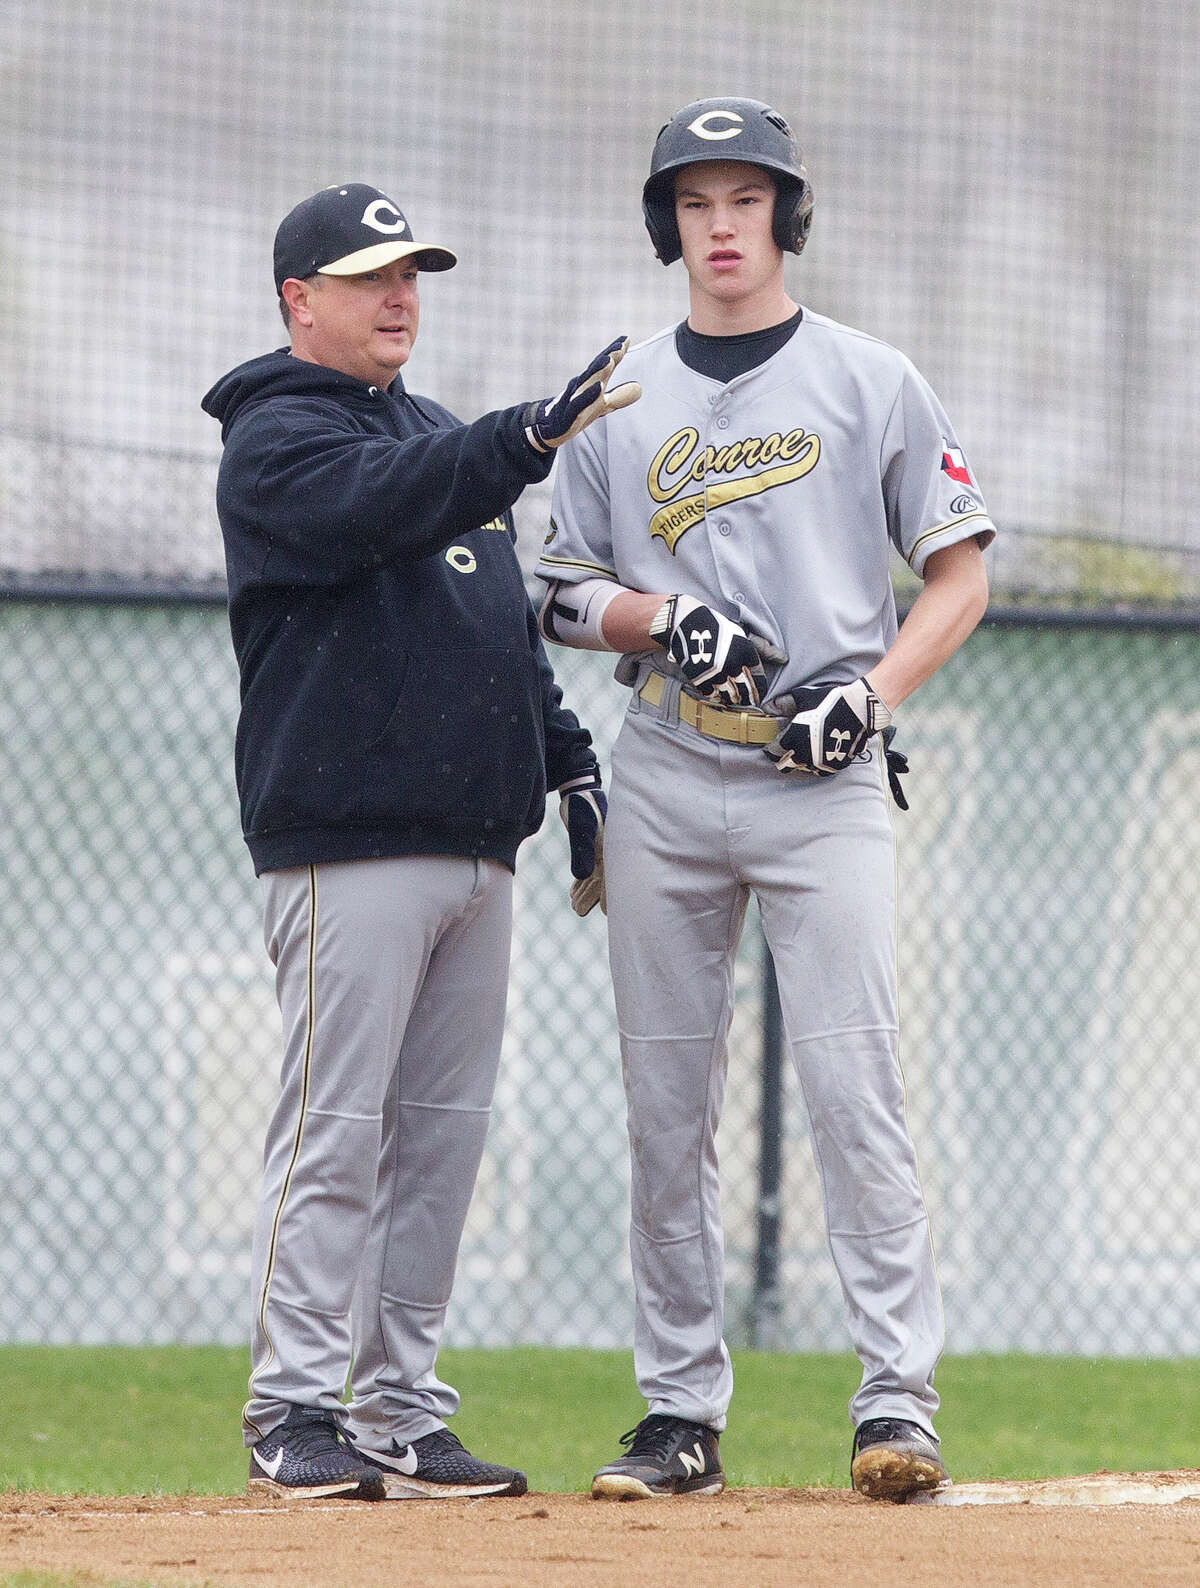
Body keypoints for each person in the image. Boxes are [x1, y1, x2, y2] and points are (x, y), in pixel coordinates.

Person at [535, 100, 993, 1502]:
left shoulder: (871, 377)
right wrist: (659, 617)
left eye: (747, 197)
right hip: (669, 771)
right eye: (694, 200)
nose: (721, 223)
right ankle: (679, 1416)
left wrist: (875, 692)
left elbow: (960, 574)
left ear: (788, 216)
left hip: (824, 781)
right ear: (666, 222)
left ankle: (895, 1404)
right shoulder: (617, 391)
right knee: (666, 1104)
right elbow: (557, 589)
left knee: (857, 1089)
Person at [201, 182, 636, 1501]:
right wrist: (522, 435)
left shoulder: (441, 439)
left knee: (441, 1138)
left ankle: (396, 1408)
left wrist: (572, 774)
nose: (400, 295)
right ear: (300, 302)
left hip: (473, 844)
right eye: (370, 275)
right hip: (350, 841)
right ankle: (291, 1406)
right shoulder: (278, 442)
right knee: (335, 1132)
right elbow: (372, 507)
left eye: (412, 273)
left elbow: (499, 631)